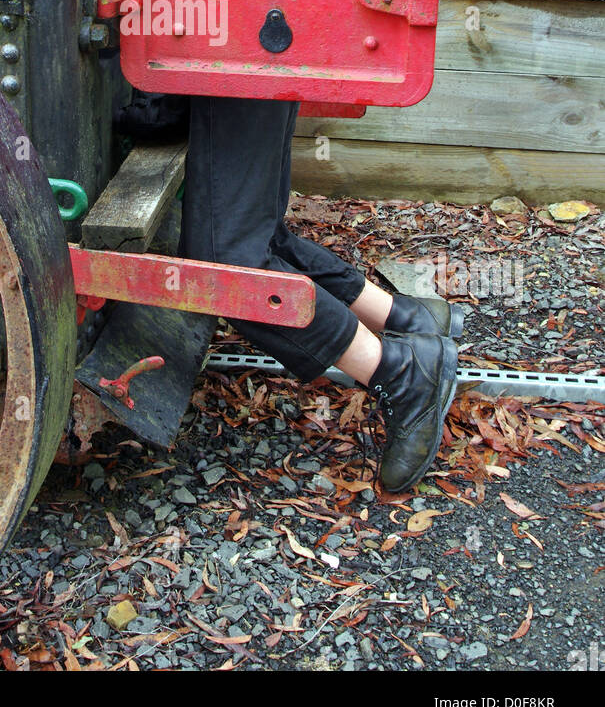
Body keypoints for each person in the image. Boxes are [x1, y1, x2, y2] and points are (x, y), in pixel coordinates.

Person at [116, 91, 459, 493]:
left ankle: (400, 371)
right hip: (254, 47)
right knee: (256, 237)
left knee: (226, 266)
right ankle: (403, 318)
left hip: (239, 48)